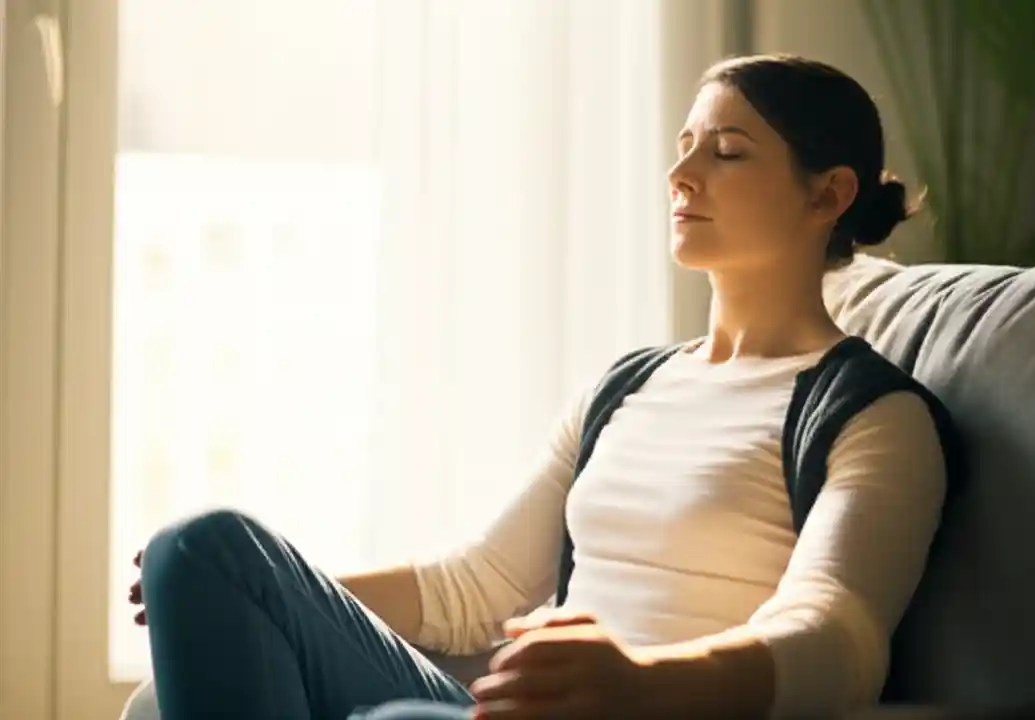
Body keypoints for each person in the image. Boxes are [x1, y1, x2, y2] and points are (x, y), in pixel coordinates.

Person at [129, 53, 954, 720]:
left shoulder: (869, 415)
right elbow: (473, 589)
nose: (682, 174)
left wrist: (638, 682)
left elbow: (835, 637)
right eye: (685, 145)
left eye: (727, 152)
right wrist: (266, 591)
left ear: (829, 193)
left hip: (649, 712)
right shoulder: (627, 386)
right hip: (503, 709)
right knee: (203, 549)